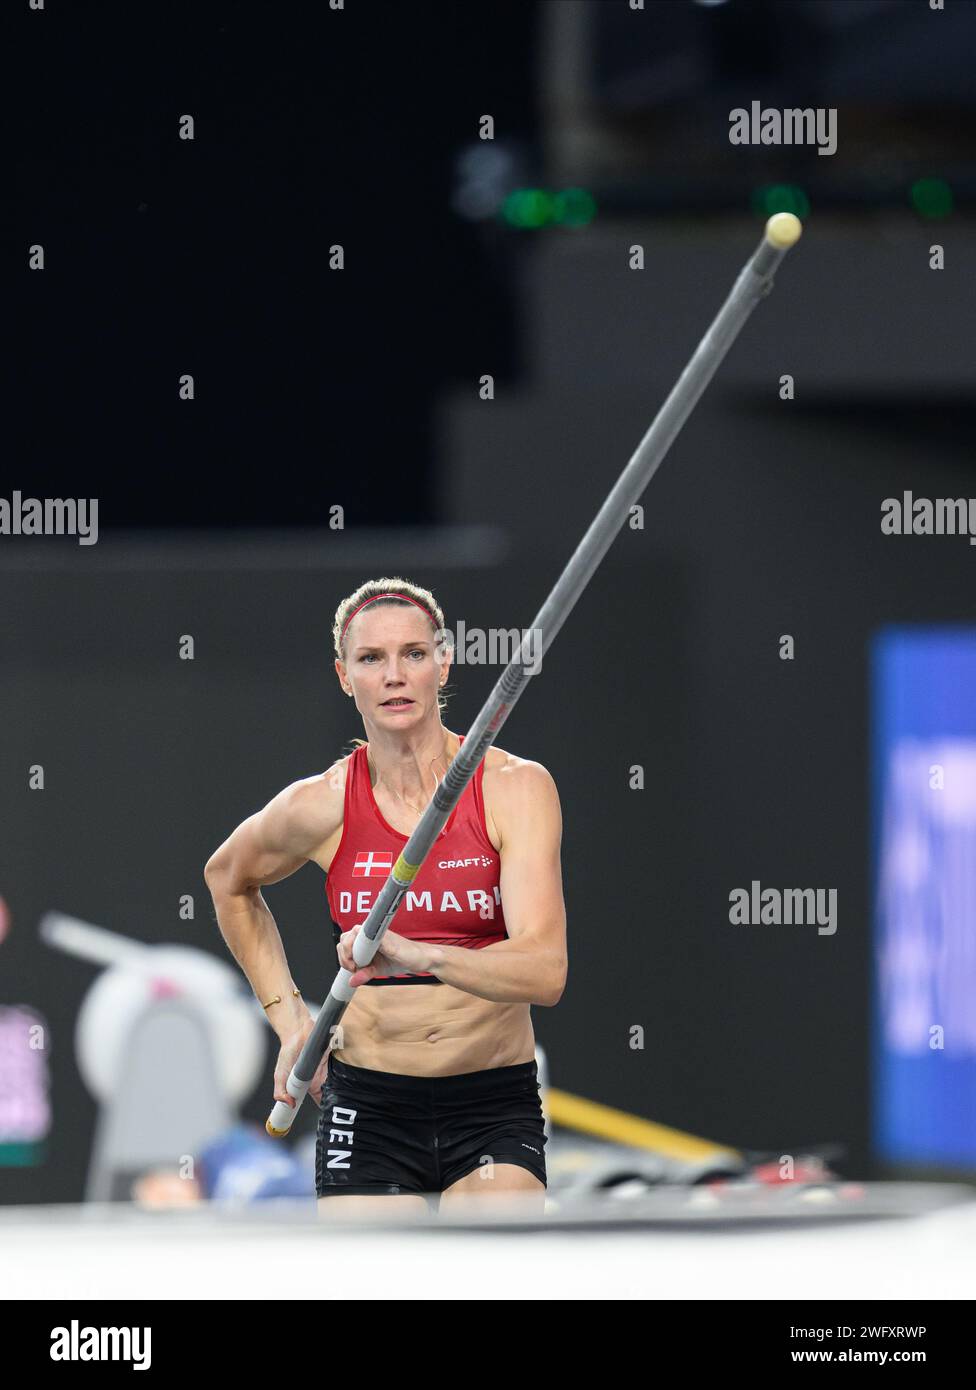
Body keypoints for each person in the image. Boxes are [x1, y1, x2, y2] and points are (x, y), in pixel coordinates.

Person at [205, 577, 567, 1218]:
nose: (395, 675)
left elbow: (545, 972)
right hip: (368, 1102)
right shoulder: (321, 804)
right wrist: (289, 1022)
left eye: (414, 654)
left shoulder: (516, 788)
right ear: (345, 676)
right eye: (372, 659)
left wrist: (417, 954)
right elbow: (228, 880)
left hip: (489, 1101)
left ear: (443, 662)